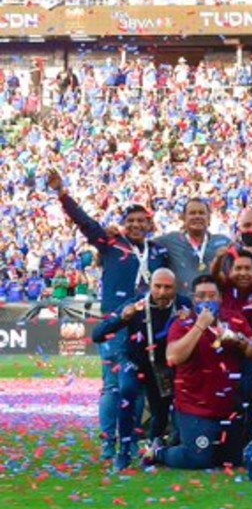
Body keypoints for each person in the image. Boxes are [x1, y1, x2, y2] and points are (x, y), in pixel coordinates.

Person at [47, 167, 169, 465]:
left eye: (141, 221)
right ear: (123, 225)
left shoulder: (158, 252)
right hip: (115, 325)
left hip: (146, 327)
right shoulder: (110, 243)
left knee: (138, 385)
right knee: (113, 386)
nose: (136, 225)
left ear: (150, 224)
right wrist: (62, 193)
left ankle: (132, 442)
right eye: (131, 221)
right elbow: (85, 223)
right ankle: (107, 444)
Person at [145, 275, 252, 470]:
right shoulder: (182, 323)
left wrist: (238, 340)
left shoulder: (234, 319)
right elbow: (173, 357)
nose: (207, 301)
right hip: (194, 408)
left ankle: (180, 438)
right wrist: (200, 326)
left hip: (228, 409)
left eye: (212, 296)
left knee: (232, 461)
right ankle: (159, 451)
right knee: (198, 459)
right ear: (193, 299)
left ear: (220, 298)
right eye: (201, 296)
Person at [91, 268, 192, 470]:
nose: (162, 292)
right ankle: (123, 451)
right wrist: (122, 318)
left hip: (162, 367)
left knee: (160, 412)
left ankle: (154, 447)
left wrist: (190, 321)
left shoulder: (184, 305)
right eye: (158, 286)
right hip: (134, 361)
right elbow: (97, 335)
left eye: (168, 287)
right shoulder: (136, 304)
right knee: (127, 391)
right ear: (150, 286)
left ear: (175, 289)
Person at [156, 198, 230, 298]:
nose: (197, 216)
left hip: (214, 303)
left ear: (209, 218)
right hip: (183, 304)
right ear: (183, 218)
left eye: (201, 213)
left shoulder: (224, 242)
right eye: (192, 213)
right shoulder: (169, 241)